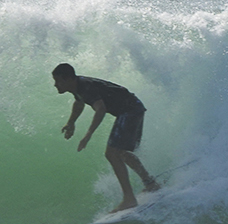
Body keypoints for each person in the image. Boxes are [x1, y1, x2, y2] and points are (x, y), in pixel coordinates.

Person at [53, 62, 160, 212]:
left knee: (111, 153)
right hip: (133, 108)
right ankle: (150, 184)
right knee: (121, 153)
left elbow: (101, 108)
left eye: (58, 81)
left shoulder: (86, 86)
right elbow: (79, 102)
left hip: (130, 109)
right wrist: (71, 122)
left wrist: (88, 135)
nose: (55, 85)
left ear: (69, 79)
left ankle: (129, 199)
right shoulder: (77, 86)